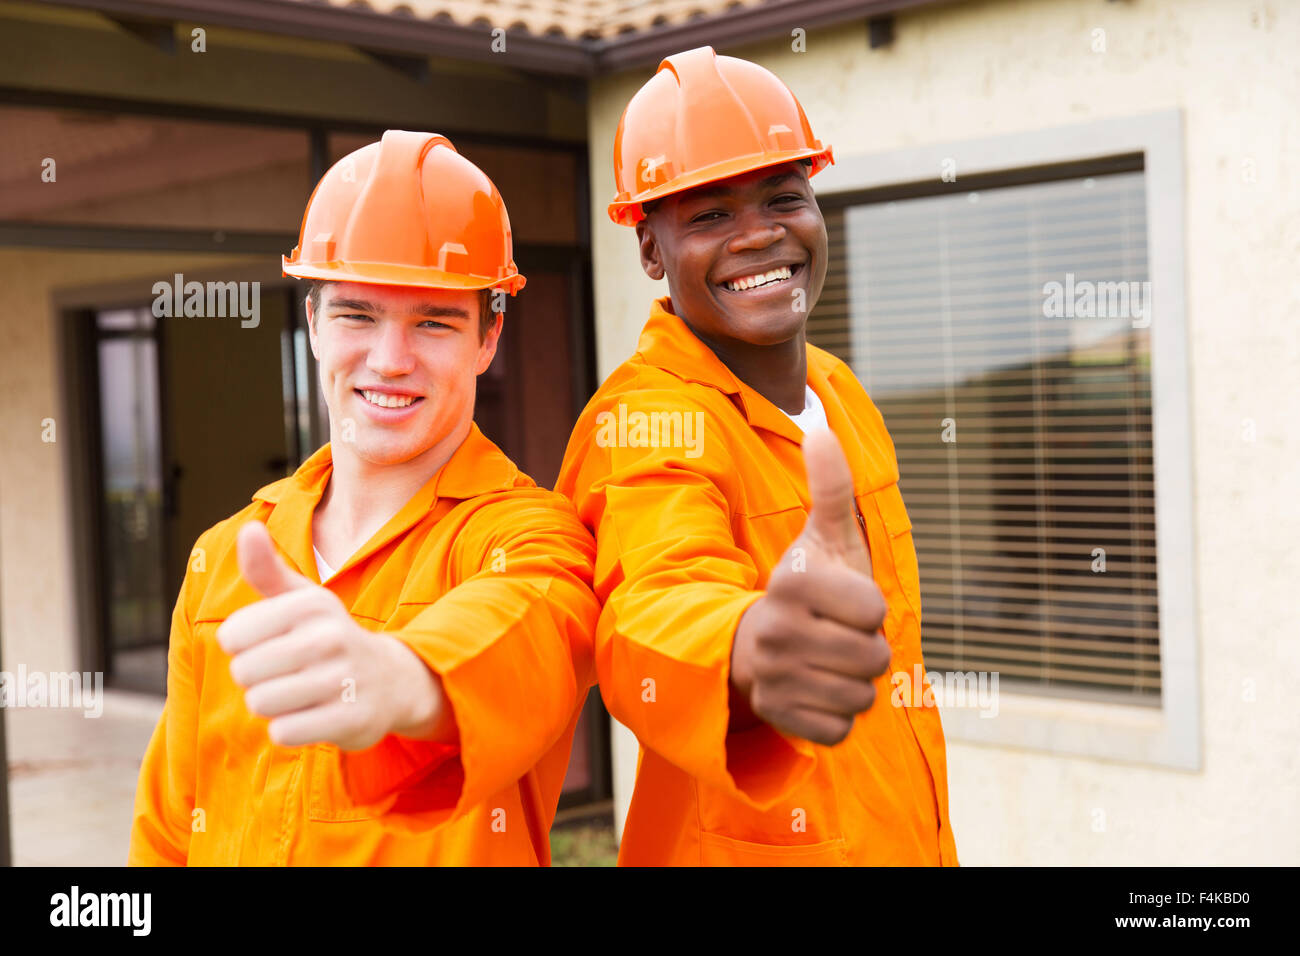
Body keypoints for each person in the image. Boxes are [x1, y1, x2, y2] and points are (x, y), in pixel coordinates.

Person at [129, 130, 598, 866]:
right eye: (357, 314)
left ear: (489, 338)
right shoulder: (225, 555)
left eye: (434, 321)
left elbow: (528, 630)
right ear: (313, 324)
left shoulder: (533, 540)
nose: (389, 360)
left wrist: (405, 681)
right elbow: (167, 829)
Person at [556, 48, 959, 865]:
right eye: (709, 215)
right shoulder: (645, 421)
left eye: (785, 198)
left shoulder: (841, 392)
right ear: (650, 251)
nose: (760, 235)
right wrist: (745, 644)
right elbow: (656, 595)